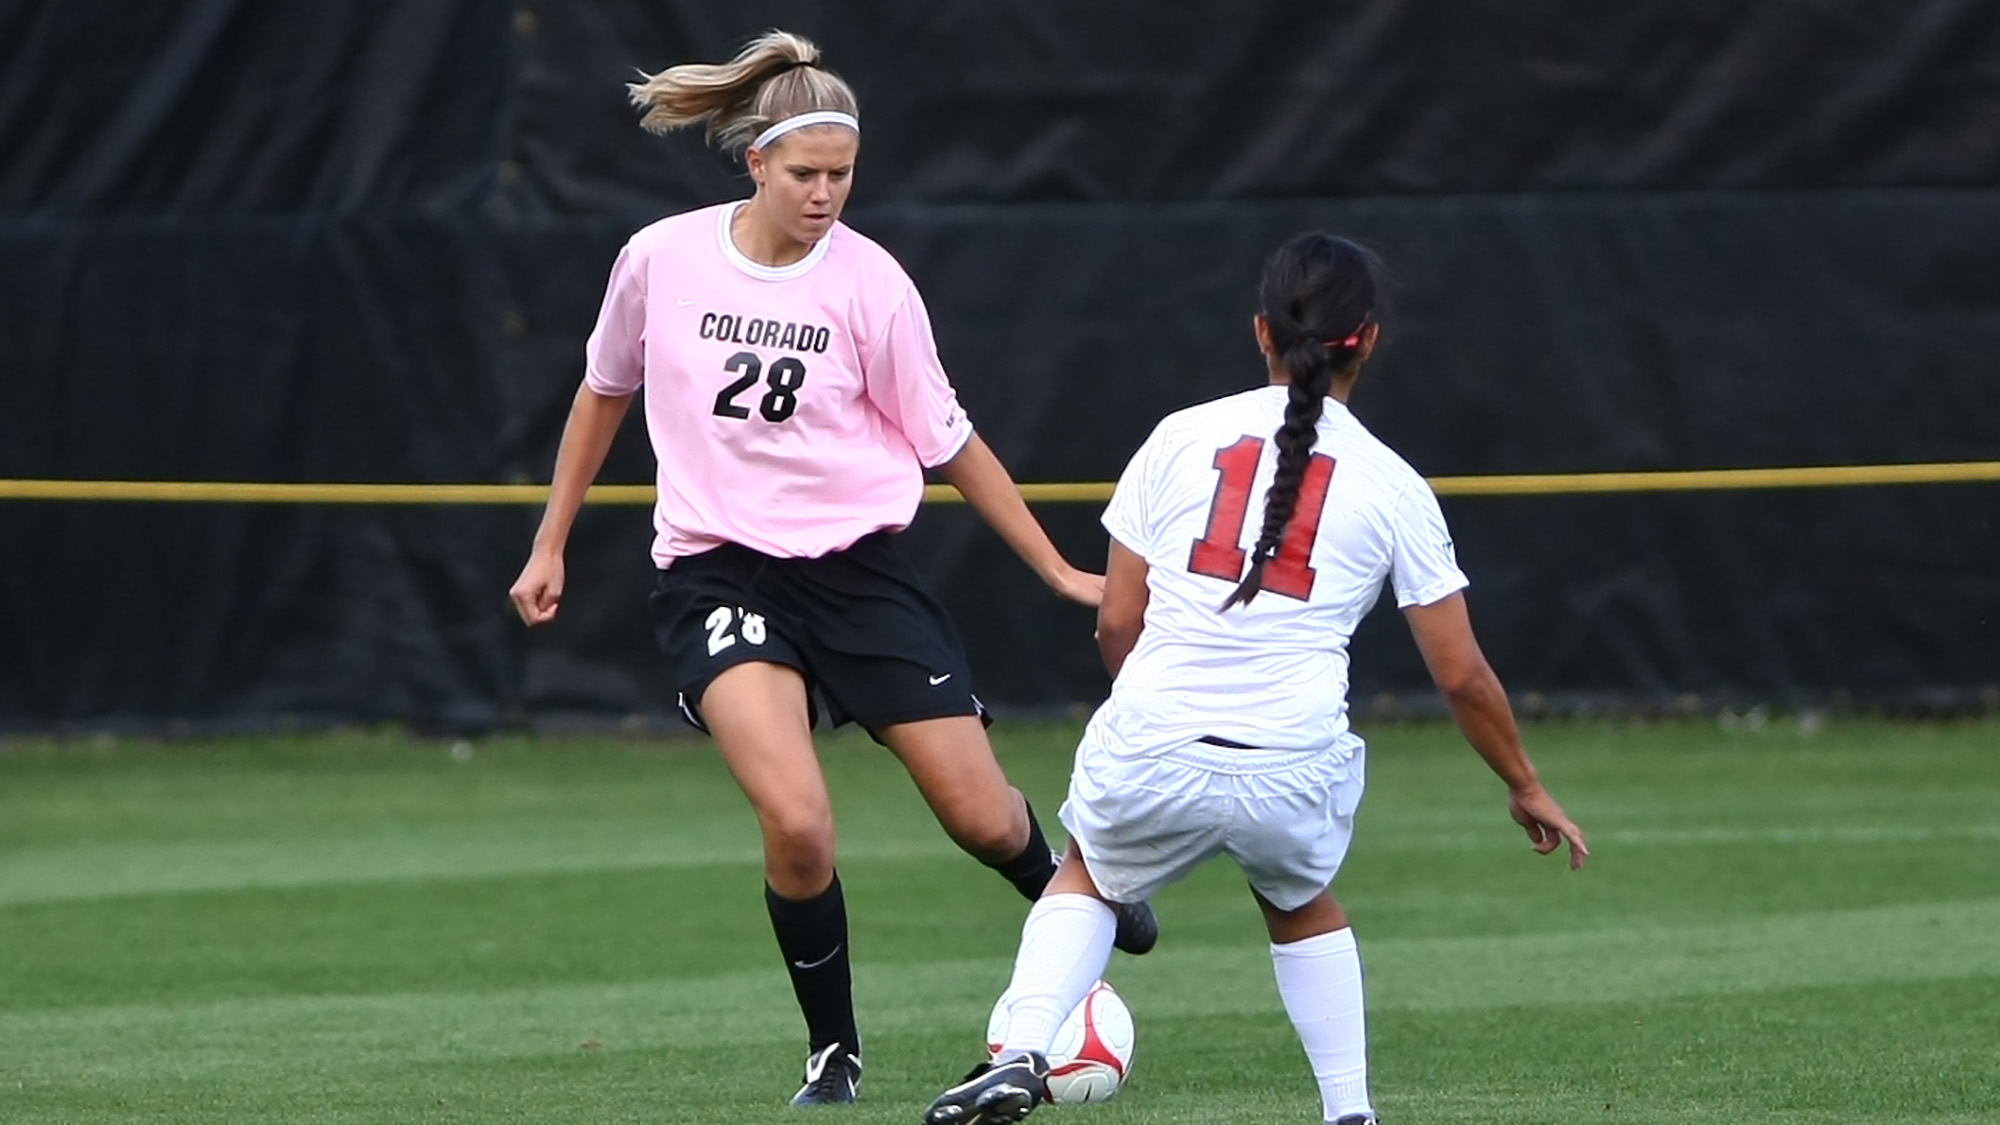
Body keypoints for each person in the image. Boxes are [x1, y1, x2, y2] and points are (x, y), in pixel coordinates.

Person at [505, 29, 1157, 1109]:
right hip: (716, 574)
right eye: (803, 173)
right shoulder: (660, 258)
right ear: (753, 161)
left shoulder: (872, 284)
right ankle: (834, 1051)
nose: (823, 194)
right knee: (798, 822)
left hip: (858, 576)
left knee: (982, 817)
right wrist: (550, 538)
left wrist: (1053, 569)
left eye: (840, 174)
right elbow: (601, 391)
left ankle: (1062, 892)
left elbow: (947, 440)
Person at [922, 233, 1590, 1125]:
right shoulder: (1393, 484)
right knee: (1300, 899)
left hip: (1154, 736)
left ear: (1260, 333)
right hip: (1295, 757)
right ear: (1371, 341)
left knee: (1089, 875)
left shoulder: (1178, 437)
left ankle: (1026, 1048)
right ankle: (1349, 1111)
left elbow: (1119, 619)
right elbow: (1463, 675)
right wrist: (1525, 784)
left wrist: (1152, 709)